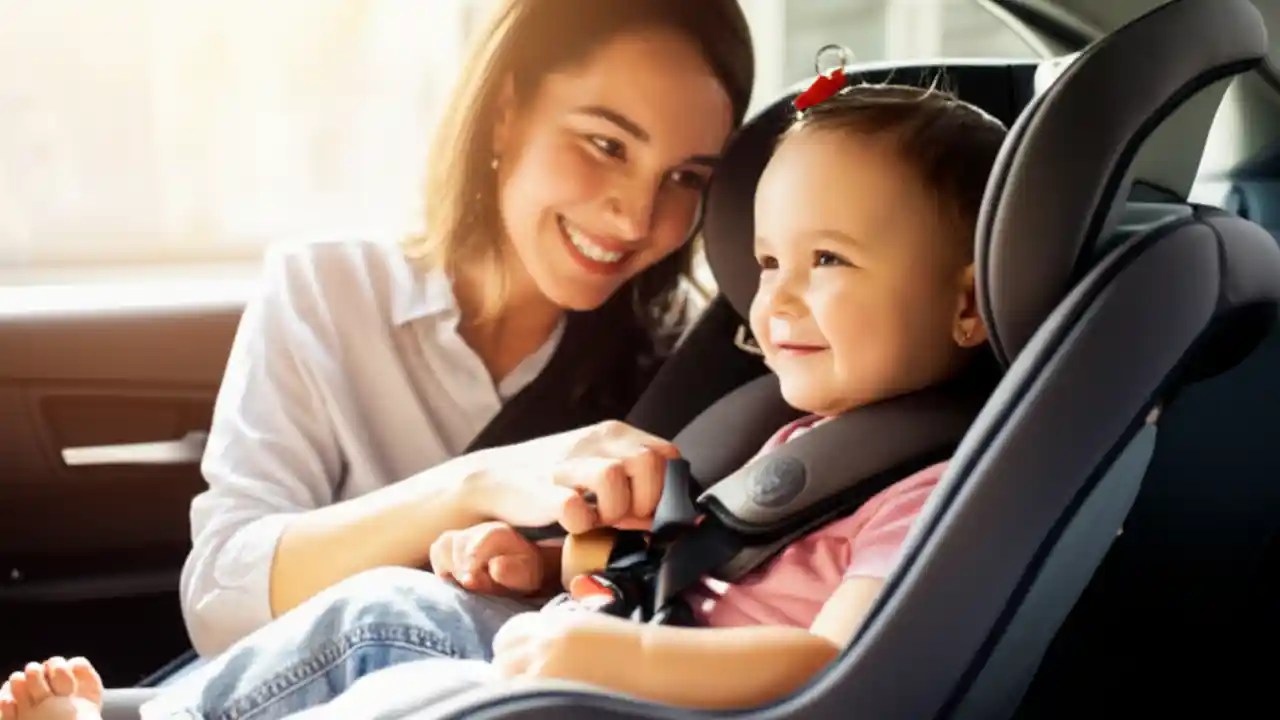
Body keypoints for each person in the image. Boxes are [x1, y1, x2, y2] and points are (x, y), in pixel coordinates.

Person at [0, 81, 1011, 720]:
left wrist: (627, 657)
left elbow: (841, 659)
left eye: (827, 261)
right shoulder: (786, 433)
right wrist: (536, 566)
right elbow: (672, 562)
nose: (774, 299)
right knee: (390, 605)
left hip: (648, 691)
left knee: (407, 686)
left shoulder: (926, 491)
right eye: (769, 261)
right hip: (600, 644)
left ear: (967, 304)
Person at [170, 0, 754, 660]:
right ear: (506, 113)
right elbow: (220, 603)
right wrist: (476, 485)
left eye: (685, 178)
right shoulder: (328, 290)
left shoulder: (682, 366)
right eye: (606, 145)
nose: (637, 218)